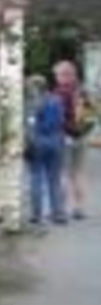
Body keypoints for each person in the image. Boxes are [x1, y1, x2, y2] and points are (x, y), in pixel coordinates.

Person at [26, 74, 67, 226]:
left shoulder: (34, 104)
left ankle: (37, 215)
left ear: (35, 88)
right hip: (56, 141)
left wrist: (29, 142)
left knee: (36, 178)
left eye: (30, 87)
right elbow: (61, 121)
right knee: (55, 179)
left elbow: (31, 126)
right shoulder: (57, 100)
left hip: (39, 142)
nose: (28, 90)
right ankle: (59, 214)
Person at [53, 60, 91, 219]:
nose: (56, 77)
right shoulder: (83, 91)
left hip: (64, 136)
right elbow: (91, 115)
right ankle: (79, 208)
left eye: (57, 74)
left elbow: (55, 118)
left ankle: (65, 209)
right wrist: (83, 132)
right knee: (79, 172)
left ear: (64, 75)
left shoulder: (58, 93)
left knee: (63, 173)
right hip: (81, 136)